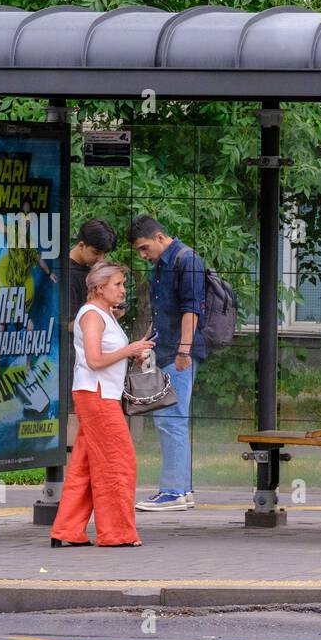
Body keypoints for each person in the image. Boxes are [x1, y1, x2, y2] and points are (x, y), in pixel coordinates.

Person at [50, 261, 154, 548]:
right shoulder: (93, 315)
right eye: (118, 284)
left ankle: (67, 530)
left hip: (98, 394)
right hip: (97, 396)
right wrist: (129, 350)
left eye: (122, 283)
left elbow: (103, 355)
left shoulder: (104, 314)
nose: (123, 290)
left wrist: (131, 353)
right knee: (118, 462)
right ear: (99, 287)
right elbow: (94, 360)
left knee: (84, 465)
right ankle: (116, 533)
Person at [129, 214, 206, 512]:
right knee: (174, 419)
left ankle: (172, 491)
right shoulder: (162, 265)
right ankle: (182, 489)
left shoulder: (186, 260)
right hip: (166, 349)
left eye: (145, 248)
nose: (143, 255)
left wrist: (184, 350)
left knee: (170, 419)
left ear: (160, 237)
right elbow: (160, 314)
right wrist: (145, 343)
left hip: (178, 352)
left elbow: (191, 309)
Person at [64, 219, 119, 454]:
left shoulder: (88, 273)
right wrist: (101, 314)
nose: (100, 260)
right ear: (81, 244)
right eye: (96, 253)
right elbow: (65, 324)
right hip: (69, 357)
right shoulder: (67, 275)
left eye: (104, 255)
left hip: (85, 360)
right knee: (72, 419)